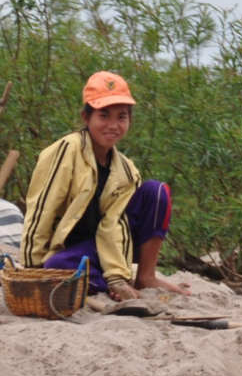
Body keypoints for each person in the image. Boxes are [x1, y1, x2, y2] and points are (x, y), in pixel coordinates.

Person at [20, 72, 191, 301]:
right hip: (72, 249)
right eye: (104, 115)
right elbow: (41, 209)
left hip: (108, 246)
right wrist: (32, 270)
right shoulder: (66, 151)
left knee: (156, 190)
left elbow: (113, 226)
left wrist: (117, 276)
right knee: (57, 265)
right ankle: (100, 282)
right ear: (86, 117)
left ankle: (144, 277)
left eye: (121, 117)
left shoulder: (127, 171)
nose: (113, 125)